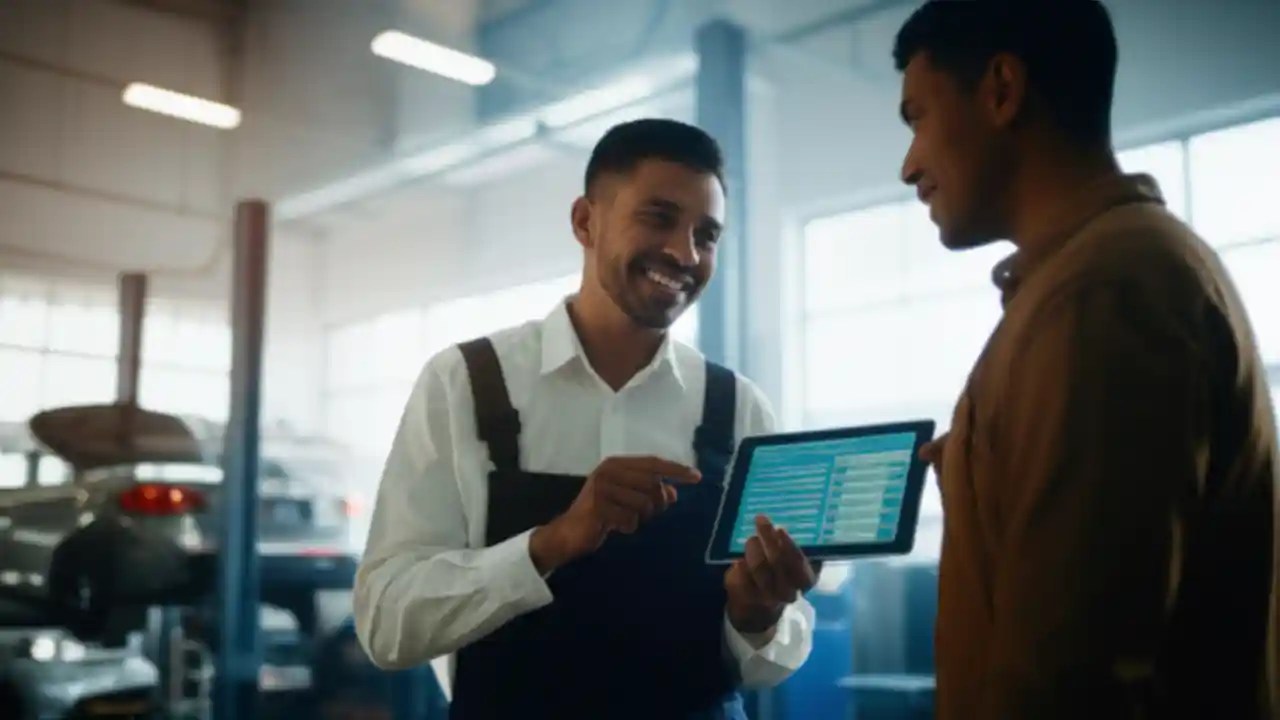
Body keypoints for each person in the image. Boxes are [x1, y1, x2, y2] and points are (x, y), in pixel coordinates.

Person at [354, 118, 817, 719]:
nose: (685, 253)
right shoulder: (466, 383)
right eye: (658, 218)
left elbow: (774, 653)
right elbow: (386, 623)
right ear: (584, 221)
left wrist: (758, 617)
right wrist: (548, 545)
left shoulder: (738, 409)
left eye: (706, 236)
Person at [892, 2, 1278, 718]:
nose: (909, 165)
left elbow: (1071, 681)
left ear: (1002, 90)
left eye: (918, 118)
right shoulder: (1098, 278)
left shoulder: (1103, 295)